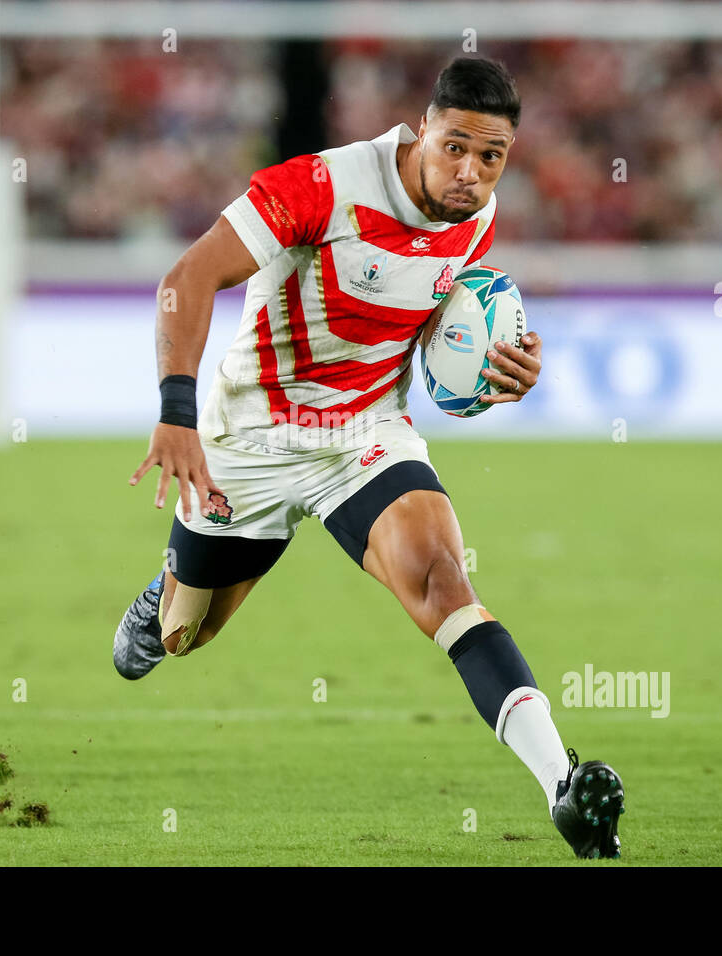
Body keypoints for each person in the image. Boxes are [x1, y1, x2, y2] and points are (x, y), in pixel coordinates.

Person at [113, 56, 626, 858]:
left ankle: (560, 782)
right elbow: (189, 277)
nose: (470, 172)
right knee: (188, 636)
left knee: (444, 582)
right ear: (422, 129)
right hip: (252, 435)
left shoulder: (477, 222)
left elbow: (434, 336)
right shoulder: (321, 186)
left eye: (491, 156)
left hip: (364, 435)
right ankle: (161, 597)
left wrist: (500, 374)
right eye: (455, 147)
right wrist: (176, 413)